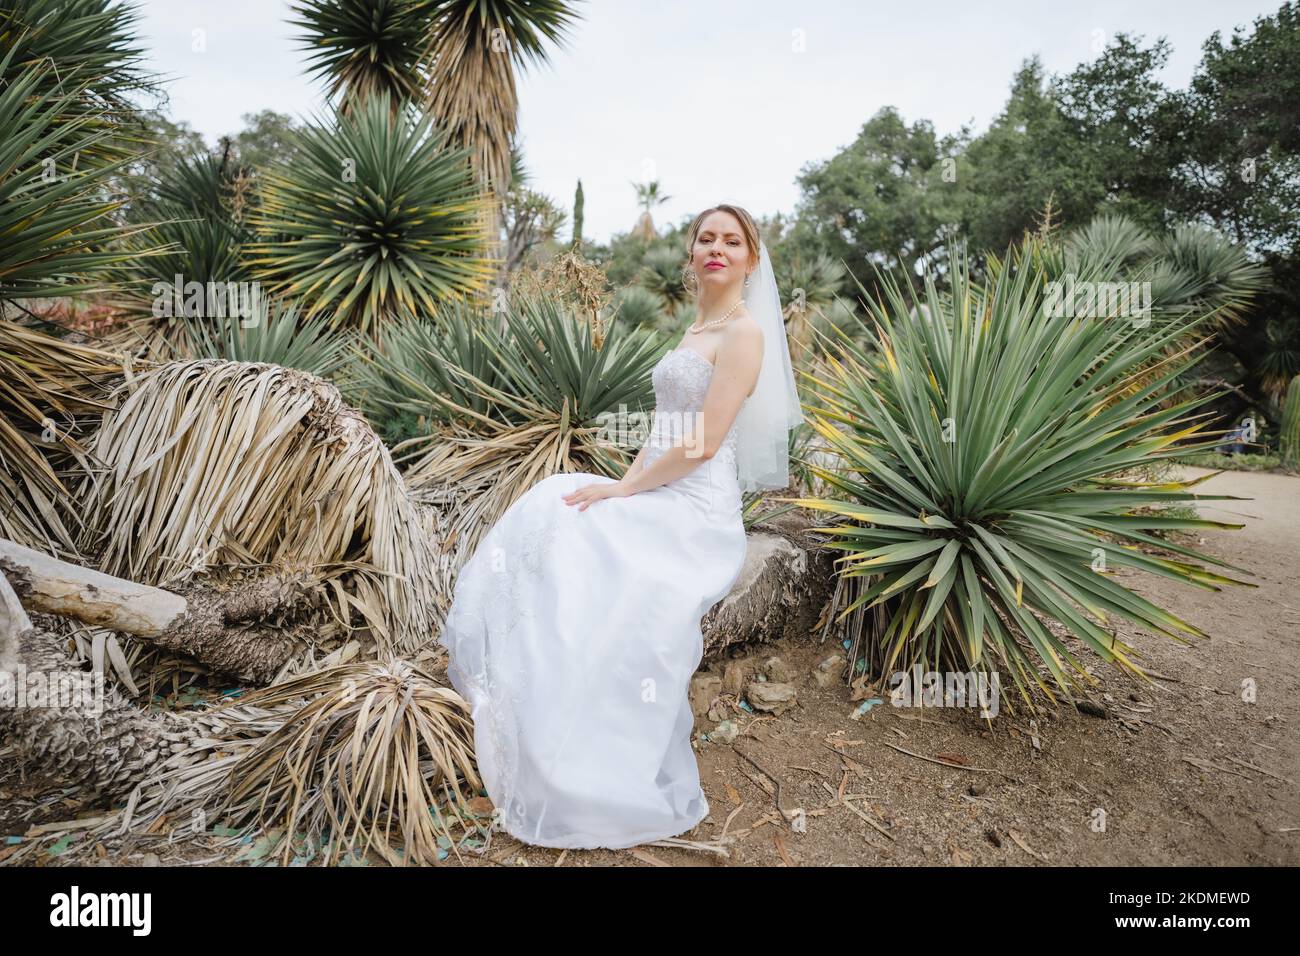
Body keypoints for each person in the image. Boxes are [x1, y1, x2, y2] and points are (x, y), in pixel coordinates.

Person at [437, 203, 802, 849]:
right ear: (691, 255)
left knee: (582, 525)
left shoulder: (743, 333)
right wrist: (620, 487)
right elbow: (666, 430)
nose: (716, 248)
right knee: (564, 501)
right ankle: (519, 691)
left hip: (697, 511)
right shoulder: (696, 329)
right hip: (660, 487)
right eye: (705, 238)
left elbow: (706, 439)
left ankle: (572, 741)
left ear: (750, 258)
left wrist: (629, 489)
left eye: (732, 240)